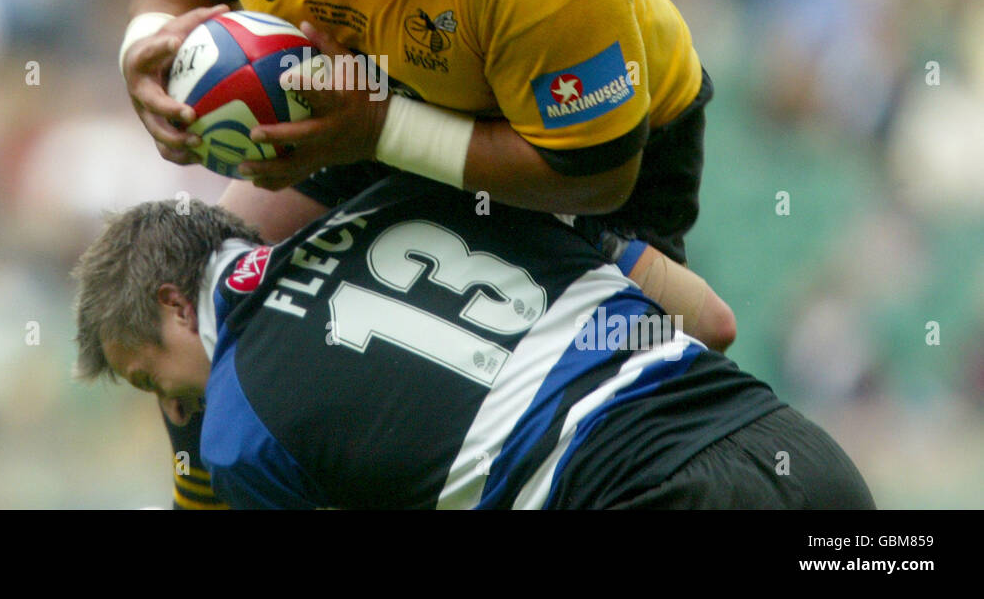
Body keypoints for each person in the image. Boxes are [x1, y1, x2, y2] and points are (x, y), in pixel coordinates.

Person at [119, 0, 730, 506]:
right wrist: (143, 50)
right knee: (205, 279)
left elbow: (597, 175)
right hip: (363, 107)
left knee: (555, 392)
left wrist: (381, 135)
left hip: (563, 143)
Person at [72, 174, 875, 509]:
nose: (175, 405)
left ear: (177, 304)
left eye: (151, 380)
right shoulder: (410, 189)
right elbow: (712, 322)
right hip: (798, 455)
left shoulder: (239, 435)